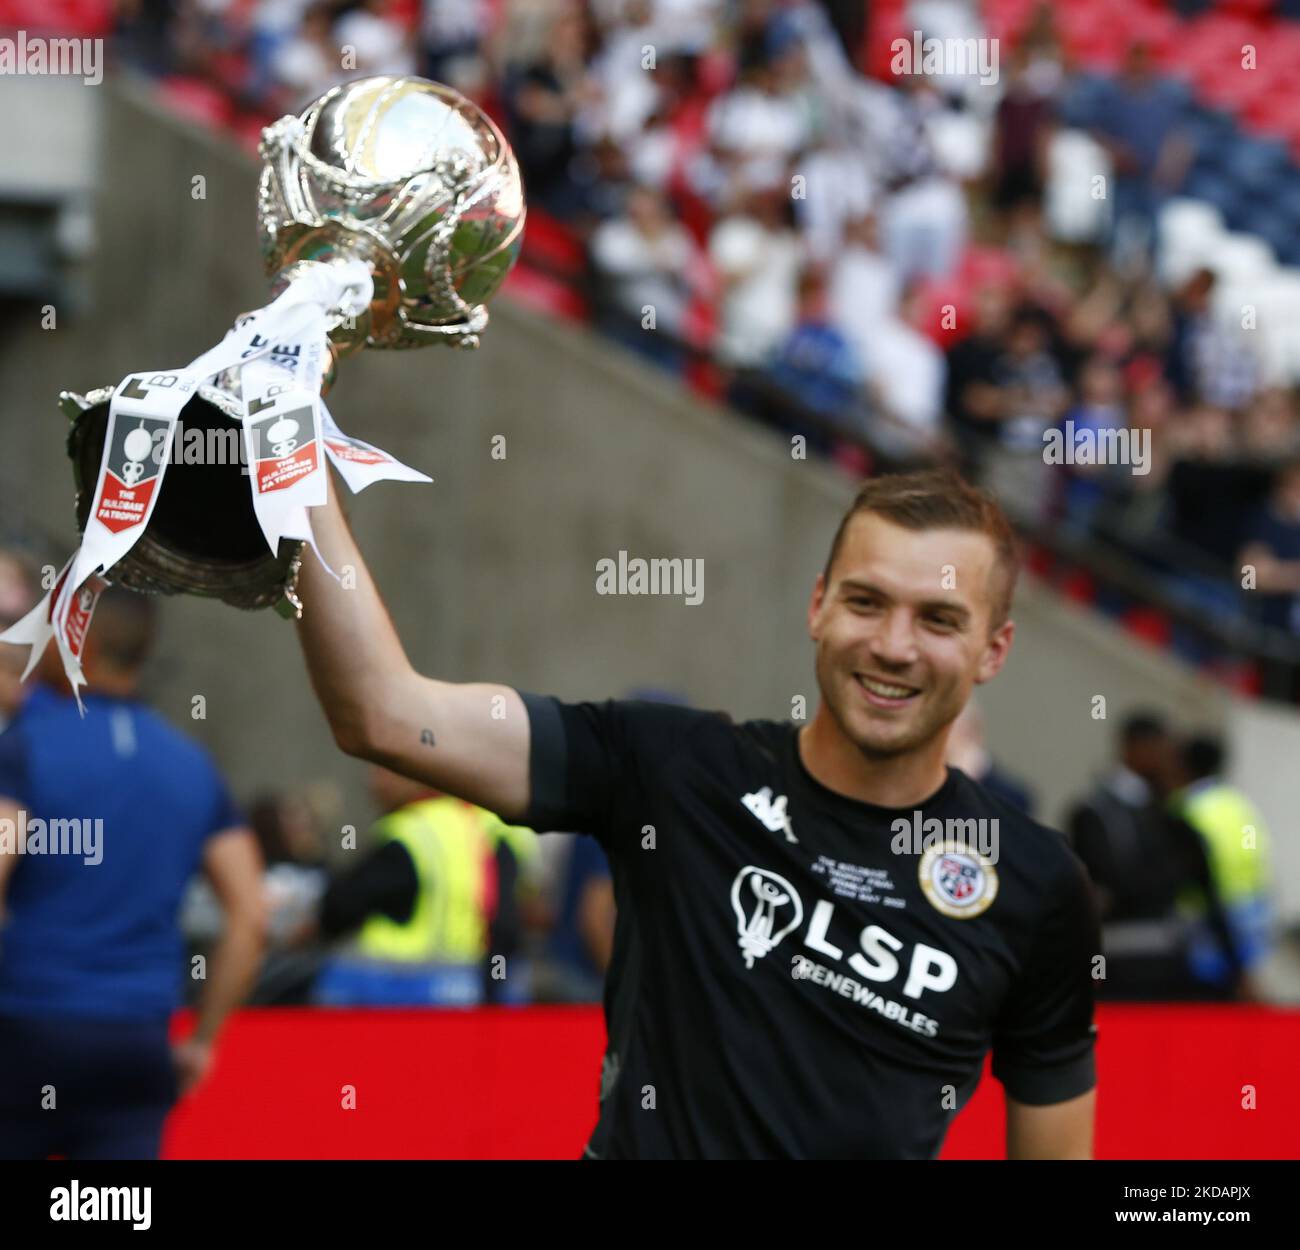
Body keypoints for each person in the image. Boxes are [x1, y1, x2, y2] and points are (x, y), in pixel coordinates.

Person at [286, 465, 1101, 1160]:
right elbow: (382, 712)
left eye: (938, 619)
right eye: (866, 601)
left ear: (993, 649)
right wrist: (298, 465)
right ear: (818, 605)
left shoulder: (1033, 881)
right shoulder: (674, 769)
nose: (893, 644)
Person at [0, 587, 265, 1159]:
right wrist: (202, 1040)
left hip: (26, 1029)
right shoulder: (191, 764)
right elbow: (250, 916)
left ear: (80, 644)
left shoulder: (25, 750)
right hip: (137, 1041)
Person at [297, 766, 538, 1007]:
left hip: (399, 990)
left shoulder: (411, 830)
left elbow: (340, 906)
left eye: (385, 770)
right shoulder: (474, 823)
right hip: (463, 983)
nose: (372, 783)